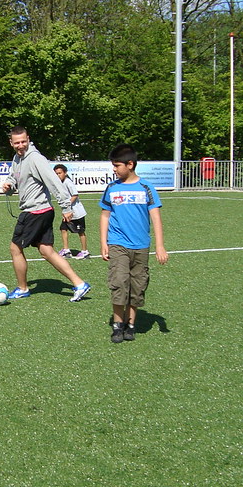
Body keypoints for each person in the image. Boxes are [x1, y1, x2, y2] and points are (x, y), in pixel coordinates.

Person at [1, 127, 91, 302]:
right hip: (39, 211)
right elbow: (14, 177)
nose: (20, 145)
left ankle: (22, 288)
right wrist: (9, 185)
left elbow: (54, 183)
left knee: (15, 248)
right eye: (17, 142)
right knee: (46, 250)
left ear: (28, 139)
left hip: (36, 211)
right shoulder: (17, 158)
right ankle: (79, 284)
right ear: (11, 143)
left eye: (23, 141)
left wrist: (66, 207)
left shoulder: (35, 159)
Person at [99, 144, 169, 343]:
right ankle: (117, 325)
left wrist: (160, 245)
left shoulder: (146, 188)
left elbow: (155, 217)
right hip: (117, 243)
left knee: (137, 286)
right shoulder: (112, 188)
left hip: (141, 246)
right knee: (119, 282)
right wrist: (104, 242)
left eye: (117, 165)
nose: (114, 169)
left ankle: (130, 325)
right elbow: (105, 215)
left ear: (130, 164)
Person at [53, 164, 89, 259]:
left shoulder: (68, 182)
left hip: (76, 212)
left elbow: (75, 195)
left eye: (60, 173)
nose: (58, 175)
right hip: (68, 212)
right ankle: (66, 250)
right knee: (63, 228)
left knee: (80, 231)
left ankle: (85, 251)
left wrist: (67, 206)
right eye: (56, 174)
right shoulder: (61, 183)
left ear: (65, 173)